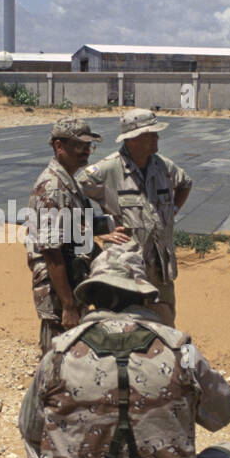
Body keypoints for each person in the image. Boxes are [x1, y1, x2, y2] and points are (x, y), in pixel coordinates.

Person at [18, 248, 230, 458]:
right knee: (228, 456)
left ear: (94, 295)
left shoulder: (59, 353)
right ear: (145, 297)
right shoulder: (180, 349)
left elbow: (29, 429)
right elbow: (224, 413)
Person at [76, 108, 191, 327]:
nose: (157, 137)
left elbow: (185, 183)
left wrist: (173, 211)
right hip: (125, 272)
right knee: (123, 329)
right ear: (133, 139)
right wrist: (97, 230)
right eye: (150, 134)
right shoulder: (107, 169)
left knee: (164, 327)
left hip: (160, 271)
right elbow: (73, 194)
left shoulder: (163, 166)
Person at [25, 117, 120, 352]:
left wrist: (107, 227)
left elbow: (73, 226)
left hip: (72, 279)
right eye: (80, 146)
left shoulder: (68, 182)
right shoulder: (53, 188)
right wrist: (67, 304)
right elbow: (52, 252)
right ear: (59, 146)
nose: (86, 152)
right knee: (59, 360)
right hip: (59, 289)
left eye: (89, 146)